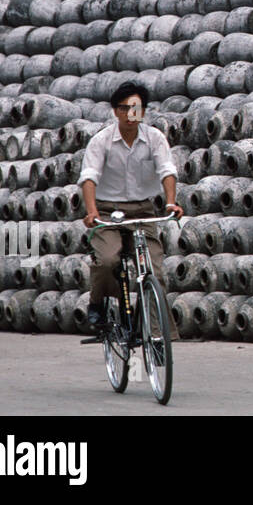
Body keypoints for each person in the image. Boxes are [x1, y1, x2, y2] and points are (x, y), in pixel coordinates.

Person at [79, 82, 182, 332]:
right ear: (115, 111)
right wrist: (92, 212)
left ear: (143, 111)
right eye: (124, 108)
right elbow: (89, 177)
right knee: (107, 260)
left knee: (154, 272)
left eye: (135, 108)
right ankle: (98, 302)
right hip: (106, 211)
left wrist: (171, 202)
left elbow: (167, 170)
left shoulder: (155, 138)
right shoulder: (101, 141)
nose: (130, 114)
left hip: (142, 211)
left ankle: (156, 335)